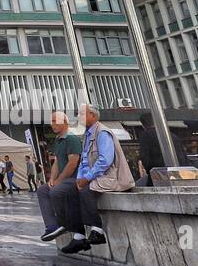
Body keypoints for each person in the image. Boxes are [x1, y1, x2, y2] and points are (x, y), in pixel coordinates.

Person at [52, 105, 136, 254]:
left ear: (93, 115)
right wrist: (80, 179)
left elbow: (105, 160)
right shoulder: (88, 135)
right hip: (96, 177)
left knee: (85, 192)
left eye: (82, 114)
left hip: (110, 177)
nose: (79, 117)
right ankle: (78, 236)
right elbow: (84, 161)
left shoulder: (102, 132)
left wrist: (87, 178)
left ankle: (97, 230)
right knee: (71, 192)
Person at [37, 110, 81, 243]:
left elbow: (72, 163)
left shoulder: (72, 139)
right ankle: (52, 226)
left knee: (56, 190)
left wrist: (59, 181)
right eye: (51, 122)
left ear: (65, 122)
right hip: (64, 180)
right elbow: (56, 161)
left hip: (75, 179)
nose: (52, 124)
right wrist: (51, 179)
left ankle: (64, 224)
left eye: (55, 121)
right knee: (42, 190)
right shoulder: (58, 140)